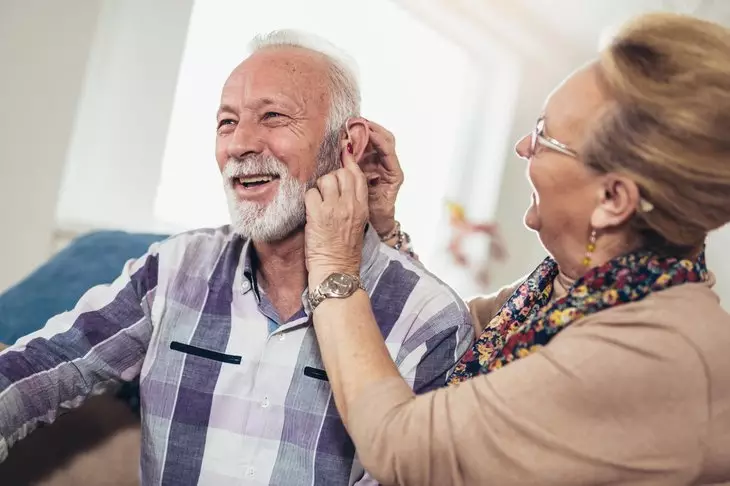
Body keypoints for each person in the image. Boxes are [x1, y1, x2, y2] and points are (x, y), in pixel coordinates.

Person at [0, 30, 474, 486]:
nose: (240, 144)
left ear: (348, 144)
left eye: (272, 117)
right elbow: (43, 365)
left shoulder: (429, 321)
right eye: (227, 122)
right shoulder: (174, 268)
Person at [304, 13, 730, 486]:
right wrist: (384, 236)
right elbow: (450, 337)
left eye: (546, 137)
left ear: (612, 200)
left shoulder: (651, 353)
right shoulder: (576, 294)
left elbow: (404, 447)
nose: (524, 146)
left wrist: (333, 267)